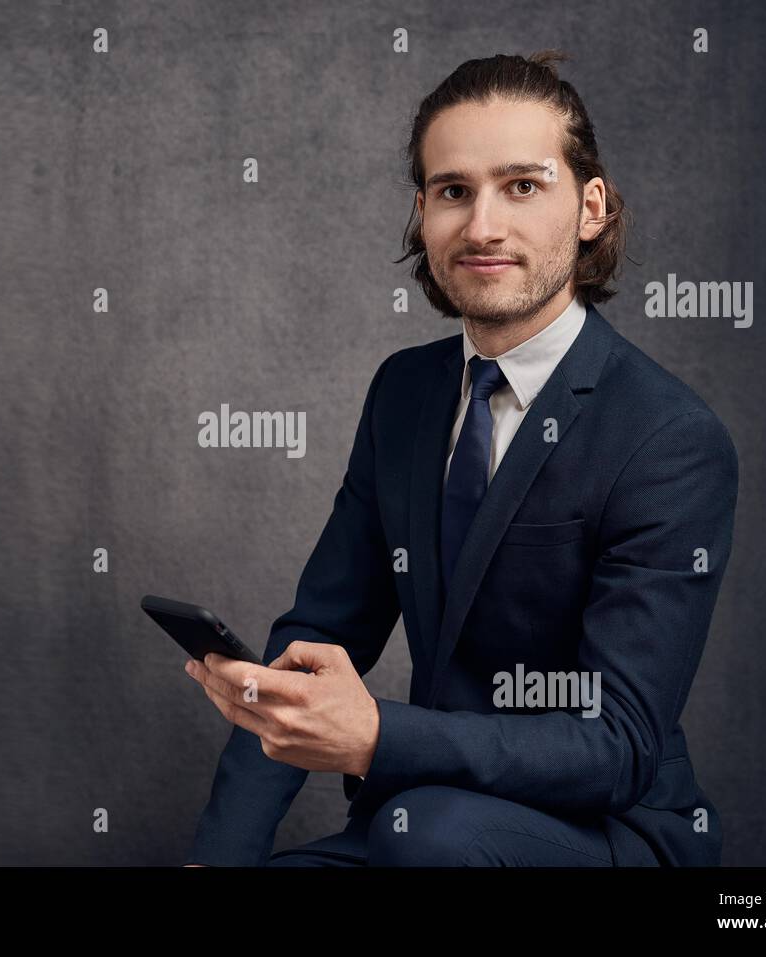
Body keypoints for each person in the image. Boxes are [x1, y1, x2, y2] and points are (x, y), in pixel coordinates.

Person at [182, 50, 737, 867]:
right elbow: (318, 631)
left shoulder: (669, 436)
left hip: (609, 834)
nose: (482, 227)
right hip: (420, 820)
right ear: (422, 213)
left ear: (591, 206)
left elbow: (618, 744)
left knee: (434, 839)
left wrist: (375, 734)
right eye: (453, 192)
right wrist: (217, 854)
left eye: (522, 185)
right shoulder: (404, 393)